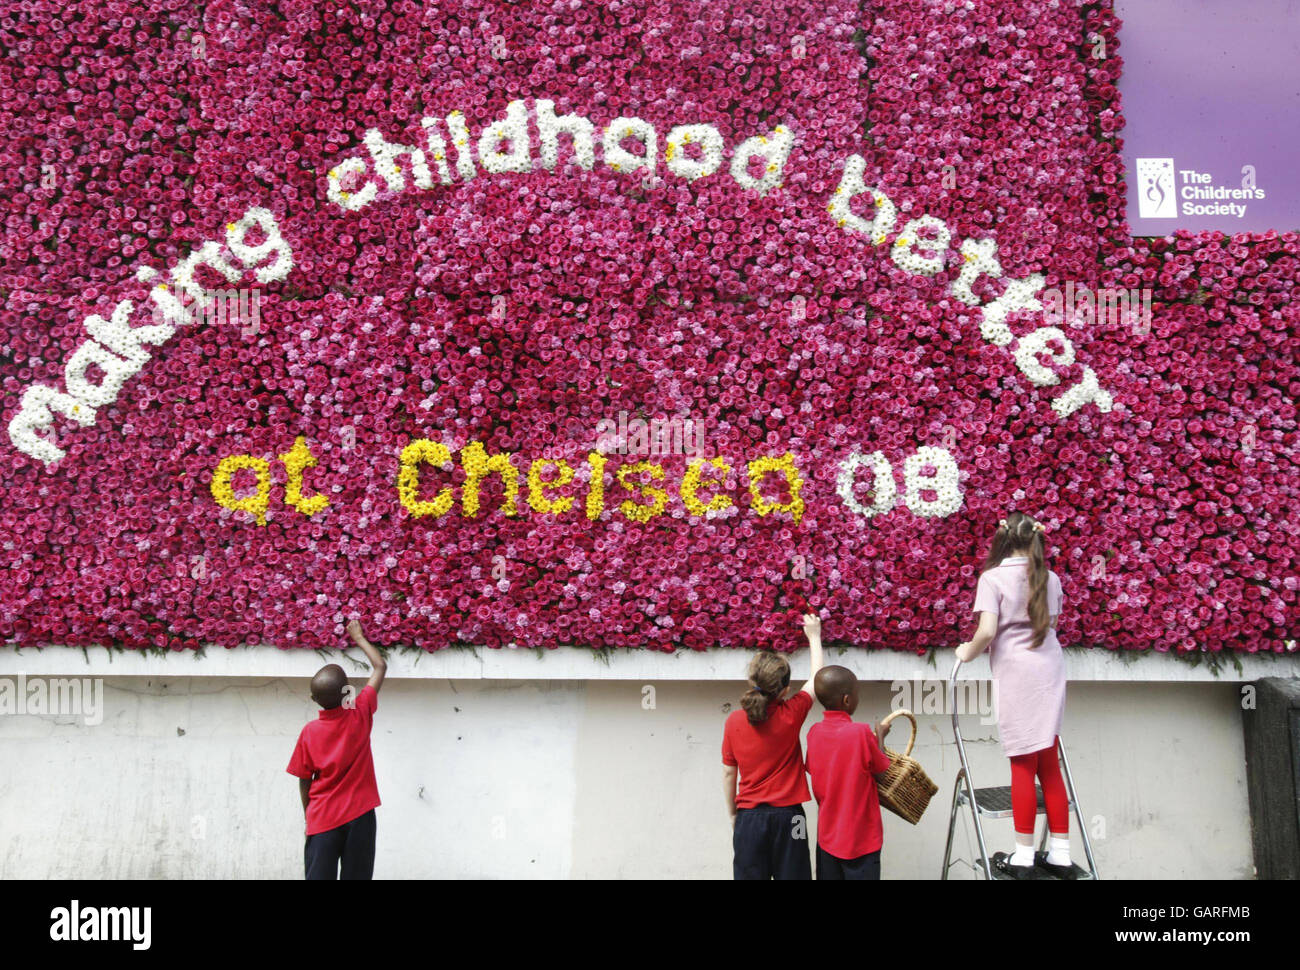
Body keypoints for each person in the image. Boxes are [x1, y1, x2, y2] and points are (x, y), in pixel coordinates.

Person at [956, 511, 1075, 879]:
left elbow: (987, 631)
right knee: (1049, 762)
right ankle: (1060, 853)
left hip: (1016, 674)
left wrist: (966, 652)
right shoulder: (1050, 577)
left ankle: (1023, 856)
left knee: (1022, 763)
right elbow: (1051, 624)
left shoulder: (992, 578)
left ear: (1003, 539)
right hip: (1050, 670)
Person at [721, 613, 825, 879]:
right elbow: (817, 680)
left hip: (749, 819)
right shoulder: (792, 713)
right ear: (785, 690)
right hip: (792, 819)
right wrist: (814, 636)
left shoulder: (734, 721)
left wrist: (734, 814)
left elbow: (729, 773)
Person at [286, 618, 387, 879]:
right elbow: (379, 666)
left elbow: (304, 780)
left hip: (323, 818)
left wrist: (309, 816)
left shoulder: (310, 732)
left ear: (313, 699)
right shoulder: (360, 713)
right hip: (360, 816)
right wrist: (359, 637)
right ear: (347, 693)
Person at [804, 665, 892, 879]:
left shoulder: (814, 732)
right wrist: (880, 736)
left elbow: (813, 768)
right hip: (862, 839)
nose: (858, 698)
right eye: (856, 694)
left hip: (828, 837)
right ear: (846, 700)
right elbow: (882, 773)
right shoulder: (861, 732)